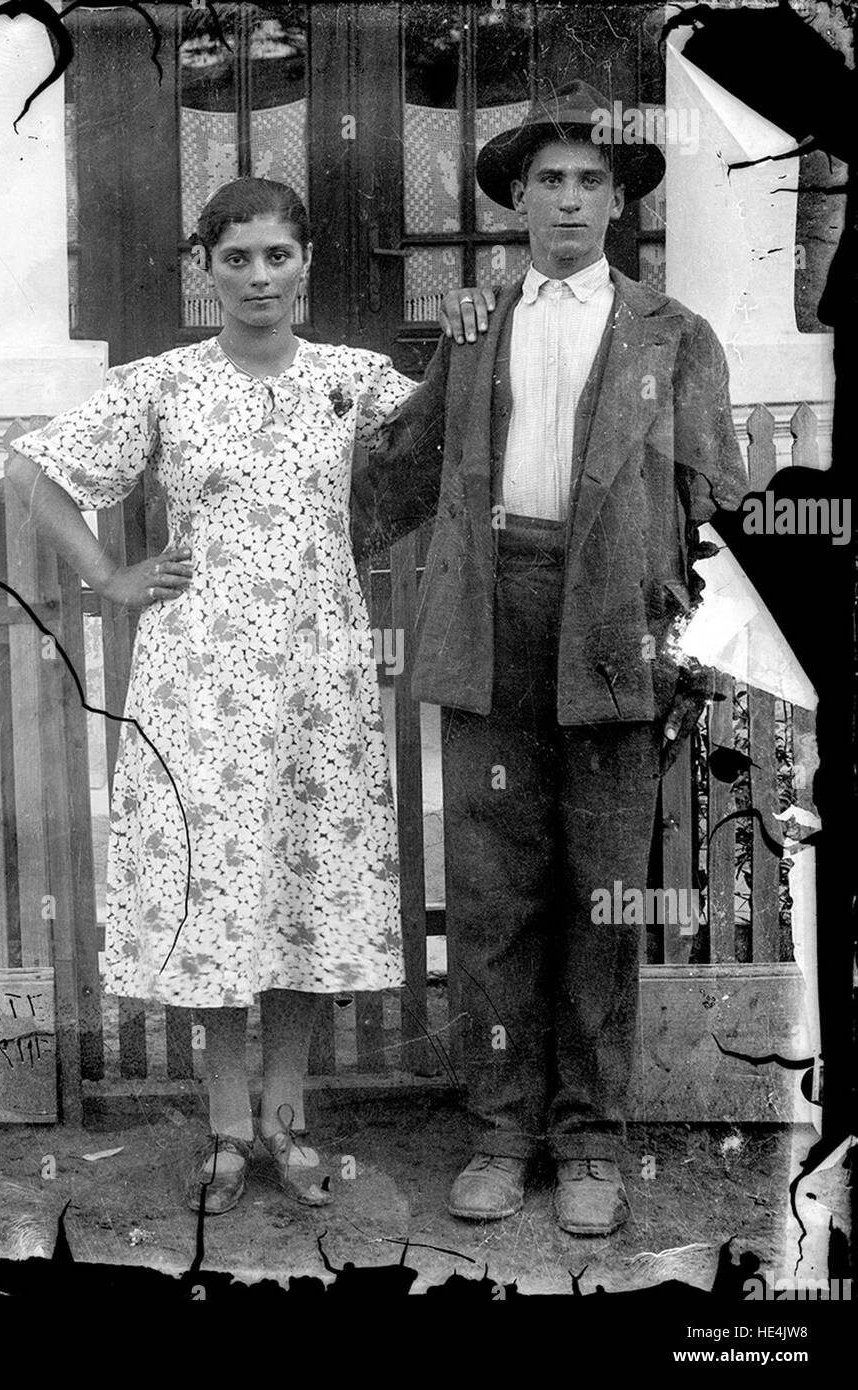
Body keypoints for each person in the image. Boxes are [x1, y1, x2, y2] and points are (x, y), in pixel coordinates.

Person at [352, 82, 747, 1234]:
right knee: (493, 898)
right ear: (516, 202)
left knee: (603, 899)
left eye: (591, 181)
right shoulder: (475, 329)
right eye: (549, 182)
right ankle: (497, 1131)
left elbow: (716, 505)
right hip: (491, 625)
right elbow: (398, 471)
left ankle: (589, 1143)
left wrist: (696, 653)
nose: (569, 199)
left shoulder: (675, 337)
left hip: (615, 631)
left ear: (619, 204)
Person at [7, 177, 422, 1216]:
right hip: (199, 679)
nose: (258, 277)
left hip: (318, 671)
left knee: (300, 892)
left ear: (309, 262)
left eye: (277, 255)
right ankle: (229, 1132)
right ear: (207, 269)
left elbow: (452, 447)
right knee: (216, 901)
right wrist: (112, 577)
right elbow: (35, 475)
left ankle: (288, 1121)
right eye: (235, 257)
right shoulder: (163, 385)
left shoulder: (354, 380)